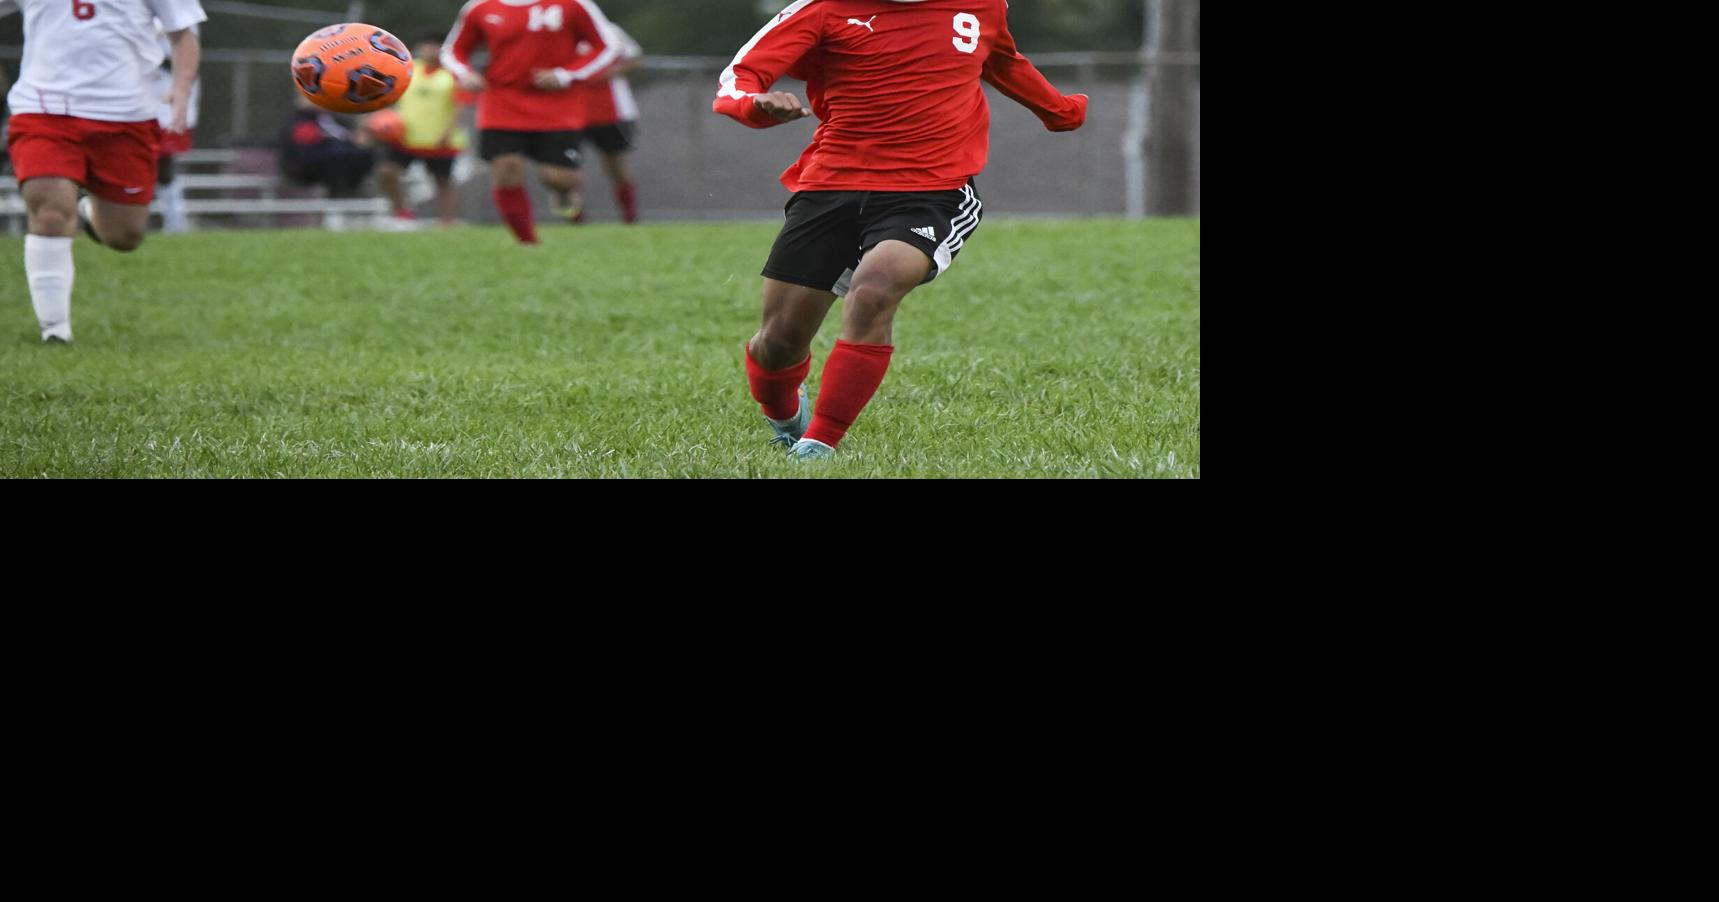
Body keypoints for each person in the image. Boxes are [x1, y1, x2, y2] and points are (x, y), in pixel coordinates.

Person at [716, 0, 1087, 460]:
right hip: (832, 185)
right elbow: (742, 74)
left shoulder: (982, 6)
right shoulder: (822, 9)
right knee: (777, 343)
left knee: (874, 289)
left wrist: (1060, 110)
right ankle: (786, 419)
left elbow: (1003, 60)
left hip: (932, 189)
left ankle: (820, 443)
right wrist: (753, 105)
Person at [2, 0, 205, 344]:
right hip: (43, 109)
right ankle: (55, 331)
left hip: (126, 114)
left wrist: (182, 89)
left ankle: (87, 210)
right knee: (49, 213)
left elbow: (183, 34)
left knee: (124, 237)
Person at [441, 0, 623, 245]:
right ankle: (528, 243)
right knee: (506, 168)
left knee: (557, 177)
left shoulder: (574, 4)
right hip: (502, 99)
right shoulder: (480, 7)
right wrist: (465, 74)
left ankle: (563, 192)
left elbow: (608, 47)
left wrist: (566, 74)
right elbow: (453, 50)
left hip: (558, 104)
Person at [374, 32, 468, 228]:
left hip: (439, 139)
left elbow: (461, 106)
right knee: (386, 172)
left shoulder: (453, 73)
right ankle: (401, 213)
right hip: (405, 136)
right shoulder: (408, 69)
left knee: (442, 182)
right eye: (426, 45)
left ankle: (447, 223)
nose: (430, 50)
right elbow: (389, 95)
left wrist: (447, 132)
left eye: (435, 46)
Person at [569, 22, 642, 224]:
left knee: (614, 163)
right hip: (570, 110)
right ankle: (575, 217)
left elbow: (634, 59)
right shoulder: (557, 31)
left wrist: (608, 73)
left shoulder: (609, 30)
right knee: (568, 166)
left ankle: (629, 217)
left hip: (611, 111)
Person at [152, 20, 200, 233]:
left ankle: (175, 219)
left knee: (164, 160)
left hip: (164, 99)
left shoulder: (176, 13)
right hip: (142, 96)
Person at [279, 95, 375, 199]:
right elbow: (305, 151)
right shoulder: (299, 120)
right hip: (305, 170)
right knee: (348, 158)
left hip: (338, 168)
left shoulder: (332, 119)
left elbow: (349, 137)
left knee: (361, 157)